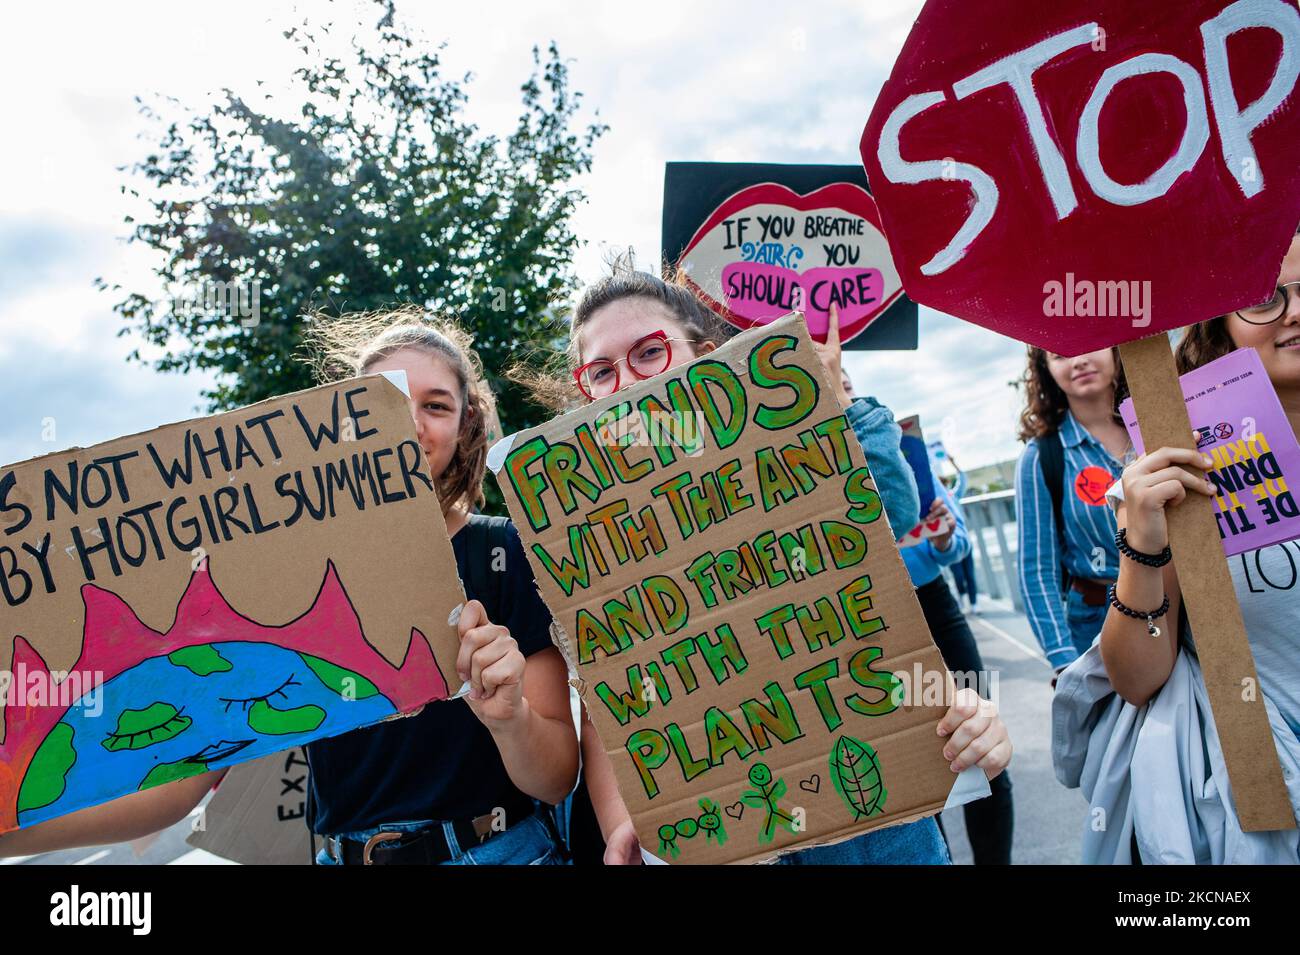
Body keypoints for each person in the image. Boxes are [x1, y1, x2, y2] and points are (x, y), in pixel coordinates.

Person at [0, 310, 578, 865]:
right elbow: (178, 787)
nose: (411, 423)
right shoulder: (286, 576)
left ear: (464, 424)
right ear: (339, 420)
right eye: (384, 402)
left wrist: (510, 719)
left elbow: (556, 778)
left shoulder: (506, 550)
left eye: (436, 405)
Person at [530, 259, 1012, 865]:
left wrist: (969, 717)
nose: (626, 383)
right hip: (720, 830)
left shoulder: (785, 465)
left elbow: (881, 529)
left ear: (705, 355)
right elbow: (608, 704)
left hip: (871, 826)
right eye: (601, 371)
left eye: (650, 352)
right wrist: (623, 819)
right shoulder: (583, 537)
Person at [1081, 234, 1300, 859]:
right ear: (1222, 320)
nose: (1294, 312)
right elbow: (1138, 679)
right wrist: (1143, 547)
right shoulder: (1174, 465)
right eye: (1264, 296)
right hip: (1259, 795)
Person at [1014, 346, 1131, 679]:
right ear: (1045, 370)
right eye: (1059, 354)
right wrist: (1063, 659)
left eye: (1090, 344)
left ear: (1115, 351)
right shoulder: (1042, 456)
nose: (1078, 360)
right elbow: (1036, 569)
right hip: (1098, 624)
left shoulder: (1157, 425)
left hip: (1183, 608)